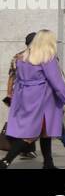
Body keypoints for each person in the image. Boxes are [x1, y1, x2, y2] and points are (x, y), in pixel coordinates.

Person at [0, 30, 65, 170]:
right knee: (30, 135)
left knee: (45, 133)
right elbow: (56, 82)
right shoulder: (47, 57)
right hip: (44, 102)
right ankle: (5, 161)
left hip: (26, 99)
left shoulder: (21, 57)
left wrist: (12, 97)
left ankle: (48, 164)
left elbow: (15, 79)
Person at [3, 33, 39, 161]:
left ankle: (28, 150)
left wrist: (9, 93)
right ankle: (20, 152)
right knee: (33, 124)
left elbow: (11, 77)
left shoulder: (17, 57)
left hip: (19, 95)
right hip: (33, 97)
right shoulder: (42, 58)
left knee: (24, 123)